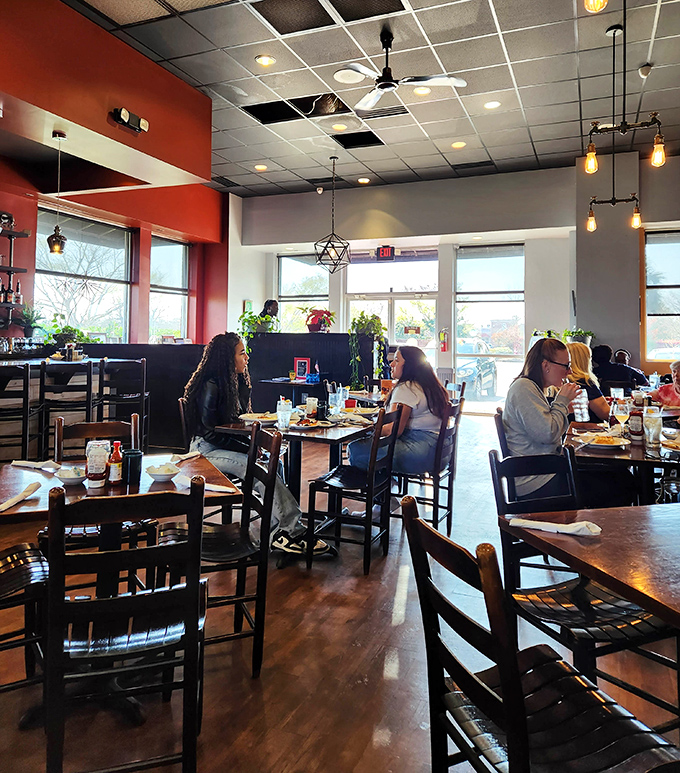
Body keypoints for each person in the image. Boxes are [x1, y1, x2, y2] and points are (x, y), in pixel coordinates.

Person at [183, 332, 329, 556]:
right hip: (205, 451)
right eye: (242, 353)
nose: (247, 358)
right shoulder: (211, 384)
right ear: (227, 358)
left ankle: (275, 533)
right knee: (260, 467)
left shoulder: (232, 381)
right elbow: (210, 432)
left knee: (274, 465)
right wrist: (248, 449)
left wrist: (244, 388)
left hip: (223, 447)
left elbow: (239, 419)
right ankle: (293, 529)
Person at [503, 338, 637, 506]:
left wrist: (565, 408)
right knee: (622, 484)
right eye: (566, 366)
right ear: (546, 365)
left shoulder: (534, 388)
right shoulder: (523, 388)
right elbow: (547, 434)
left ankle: (595, 529)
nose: (569, 371)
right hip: (537, 480)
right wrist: (562, 402)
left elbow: (548, 428)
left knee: (620, 476)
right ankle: (595, 530)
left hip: (548, 471)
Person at [347, 346, 450, 474]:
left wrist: (367, 427)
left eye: (397, 360)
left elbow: (392, 431)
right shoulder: (429, 385)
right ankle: (381, 486)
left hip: (423, 453)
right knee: (370, 448)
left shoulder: (406, 388)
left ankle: (377, 488)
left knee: (355, 449)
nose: (391, 363)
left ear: (409, 365)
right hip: (442, 452)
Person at [566, 341, 610, 423]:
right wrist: (621, 407)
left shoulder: (565, 382)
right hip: (589, 432)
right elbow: (606, 414)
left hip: (570, 430)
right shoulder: (585, 383)